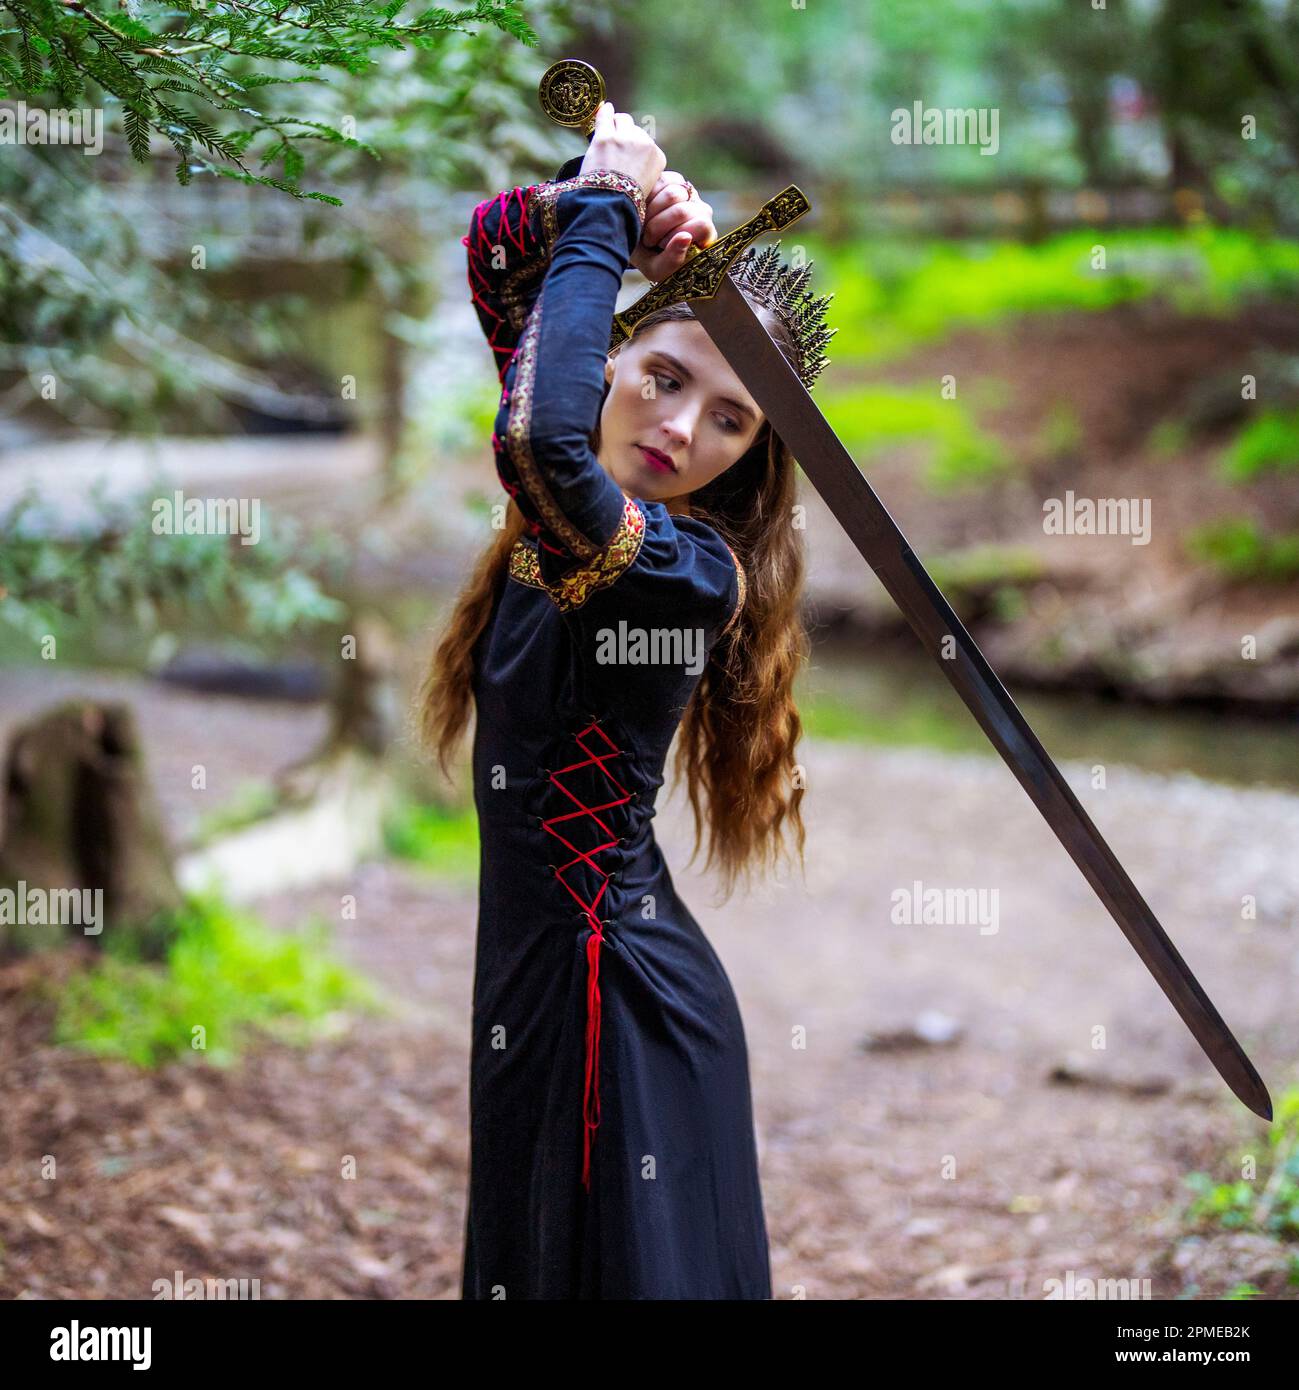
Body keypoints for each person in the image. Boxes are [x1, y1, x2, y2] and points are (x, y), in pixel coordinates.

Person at [420, 101, 835, 1299]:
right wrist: (608, 205)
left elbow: (548, 444)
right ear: (604, 351)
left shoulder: (682, 568)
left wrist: (608, 210)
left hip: (622, 1014)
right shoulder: (559, 475)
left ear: (755, 450)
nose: (679, 428)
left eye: (730, 418)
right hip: (547, 987)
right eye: (662, 375)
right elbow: (498, 254)